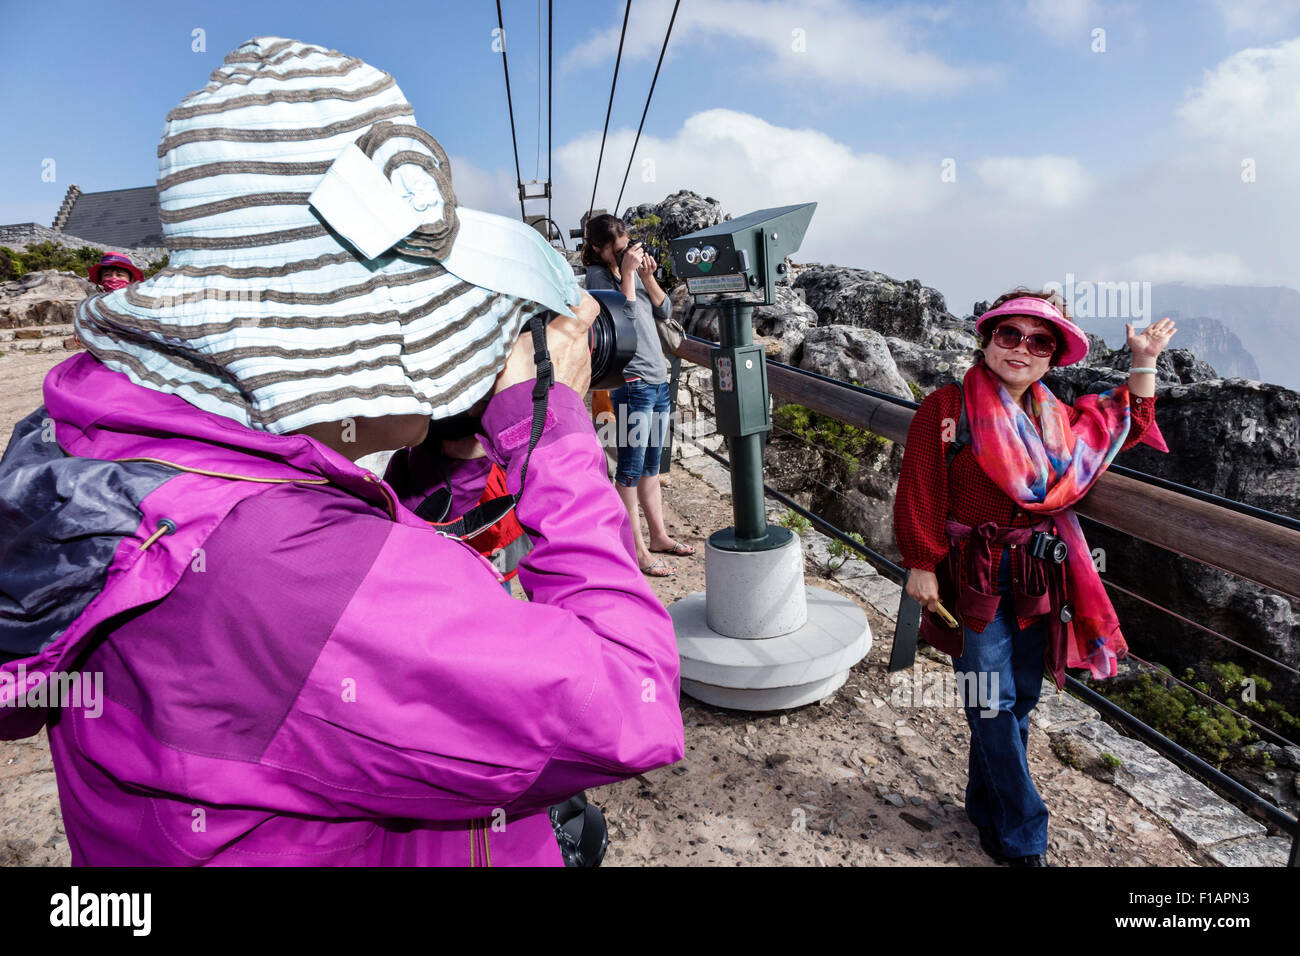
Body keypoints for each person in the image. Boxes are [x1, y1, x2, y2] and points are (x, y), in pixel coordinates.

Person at [0, 37, 683, 867]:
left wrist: (455, 450)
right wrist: (558, 429)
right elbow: (630, 699)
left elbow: (381, 548)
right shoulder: (286, 567)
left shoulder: (112, 439)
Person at [893, 288, 1175, 867]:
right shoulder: (946, 408)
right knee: (989, 702)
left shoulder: (1056, 418)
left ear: (1053, 355)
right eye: (1010, 334)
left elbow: (1126, 422)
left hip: (1038, 575)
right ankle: (1025, 833)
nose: (1022, 349)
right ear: (987, 339)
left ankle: (985, 806)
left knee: (1018, 700)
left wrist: (1142, 361)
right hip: (973, 578)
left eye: (1039, 340)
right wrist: (921, 563)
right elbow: (920, 485)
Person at [583, 213, 695, 576]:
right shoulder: (598, 279)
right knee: (629, 468)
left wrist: (646, 275)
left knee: (650, 466)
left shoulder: (632, 273)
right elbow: (627, 321)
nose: (625, 254)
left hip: (658, 379)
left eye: (628, 246)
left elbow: (663, 310)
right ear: (599, 250)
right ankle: (637, 550)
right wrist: (628, 276)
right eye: (618, 251)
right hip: (632, 384)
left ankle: (659, 535)